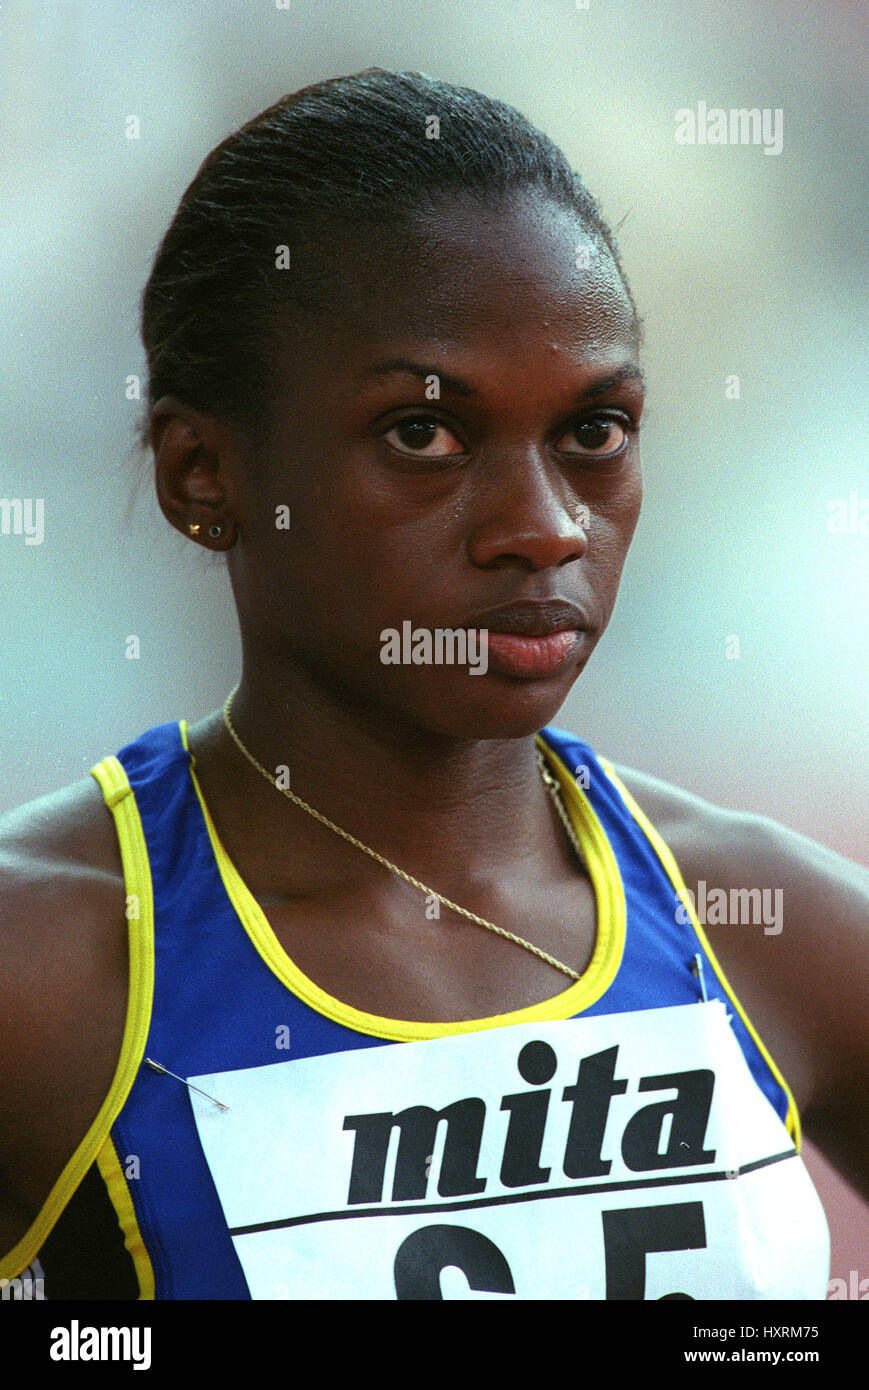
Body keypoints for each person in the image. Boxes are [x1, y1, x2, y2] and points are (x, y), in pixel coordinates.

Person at [0, 68, 865, 1302]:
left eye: (593, 431)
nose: (544, 526)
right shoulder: (50, 964)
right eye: (425, 433)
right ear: (203, 475)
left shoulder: (756, 922)